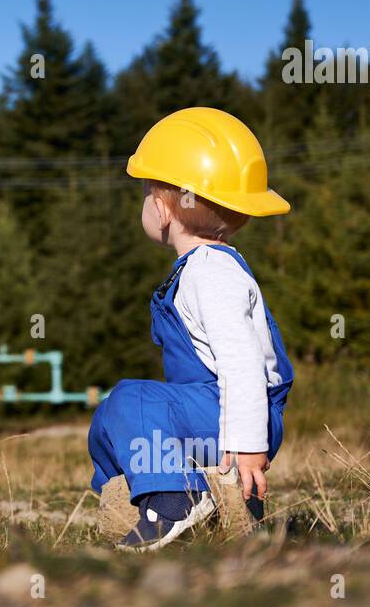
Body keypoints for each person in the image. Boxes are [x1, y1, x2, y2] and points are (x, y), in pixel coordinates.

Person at [89, 107, 294, 550]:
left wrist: (247, 443)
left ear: (163, 209)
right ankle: (131, 494)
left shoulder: (210, 273)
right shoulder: (203, 268)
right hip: (213, 413)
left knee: (131, 397)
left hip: (231, 414)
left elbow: (241, 363)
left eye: (145, 191)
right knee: (108, 416)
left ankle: (172, 500)